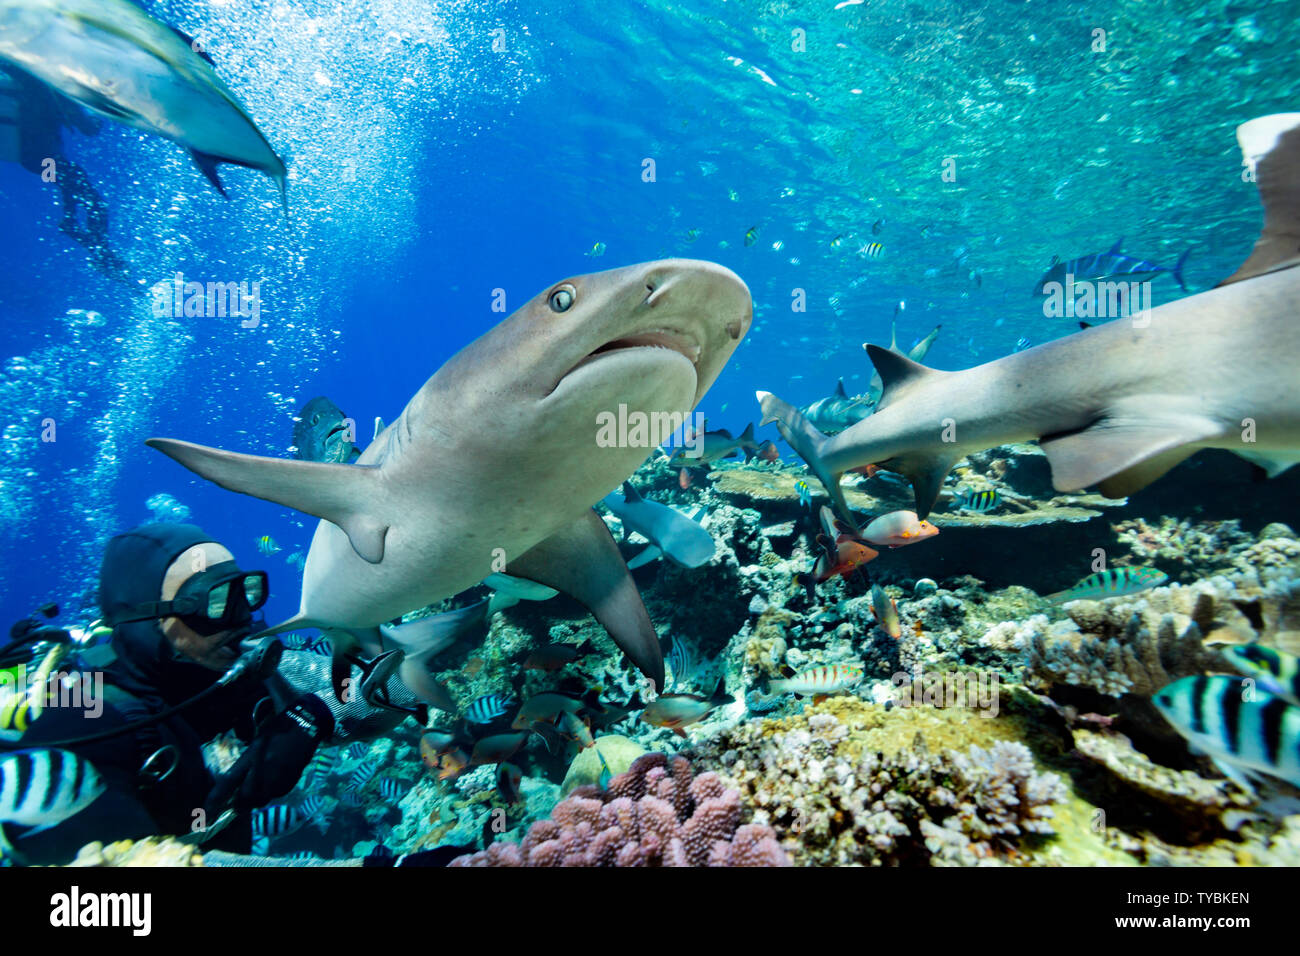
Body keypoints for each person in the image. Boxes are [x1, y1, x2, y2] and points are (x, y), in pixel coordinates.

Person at [13, 523, 335, 865]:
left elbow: (362, 684)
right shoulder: (86, 721)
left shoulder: (233, 670)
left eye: (246, 592)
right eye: (215, 601)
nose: (240, 616)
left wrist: (311, 716)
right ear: (146, 620)